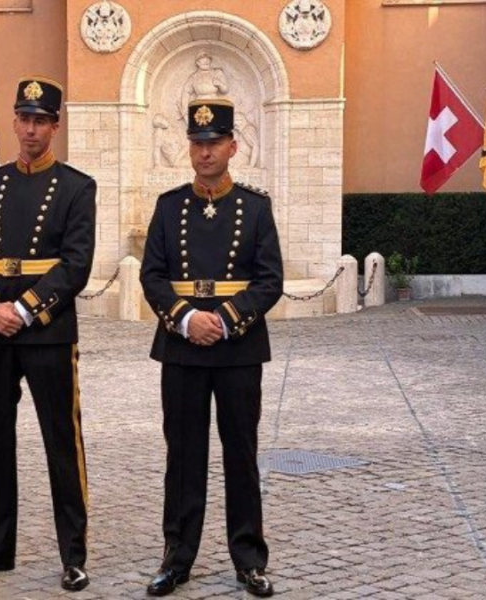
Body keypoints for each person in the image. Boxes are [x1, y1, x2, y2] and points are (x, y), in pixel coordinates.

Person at [0, 76, 97, 593]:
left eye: (41, 121)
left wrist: (27, 307)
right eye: (25, 119)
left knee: (62, 442)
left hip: (48, 332)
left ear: (55, 127)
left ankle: (73, 555)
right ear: (14, 122)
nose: (31, 129)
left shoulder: (78, 187)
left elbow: (76, 265)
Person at [139, 98, 283, 598]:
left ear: (232, 146)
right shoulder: (168, 206)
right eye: (198, 143)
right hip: (182, 348)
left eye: (214, 142)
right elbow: (152, 276)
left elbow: (269, 281)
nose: (205, 153)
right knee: (183, 456)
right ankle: (177, 558)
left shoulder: (256, 207)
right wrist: (185, 318)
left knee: (240, 455)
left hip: (237, 348)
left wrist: (222, 320)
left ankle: (249, 559)